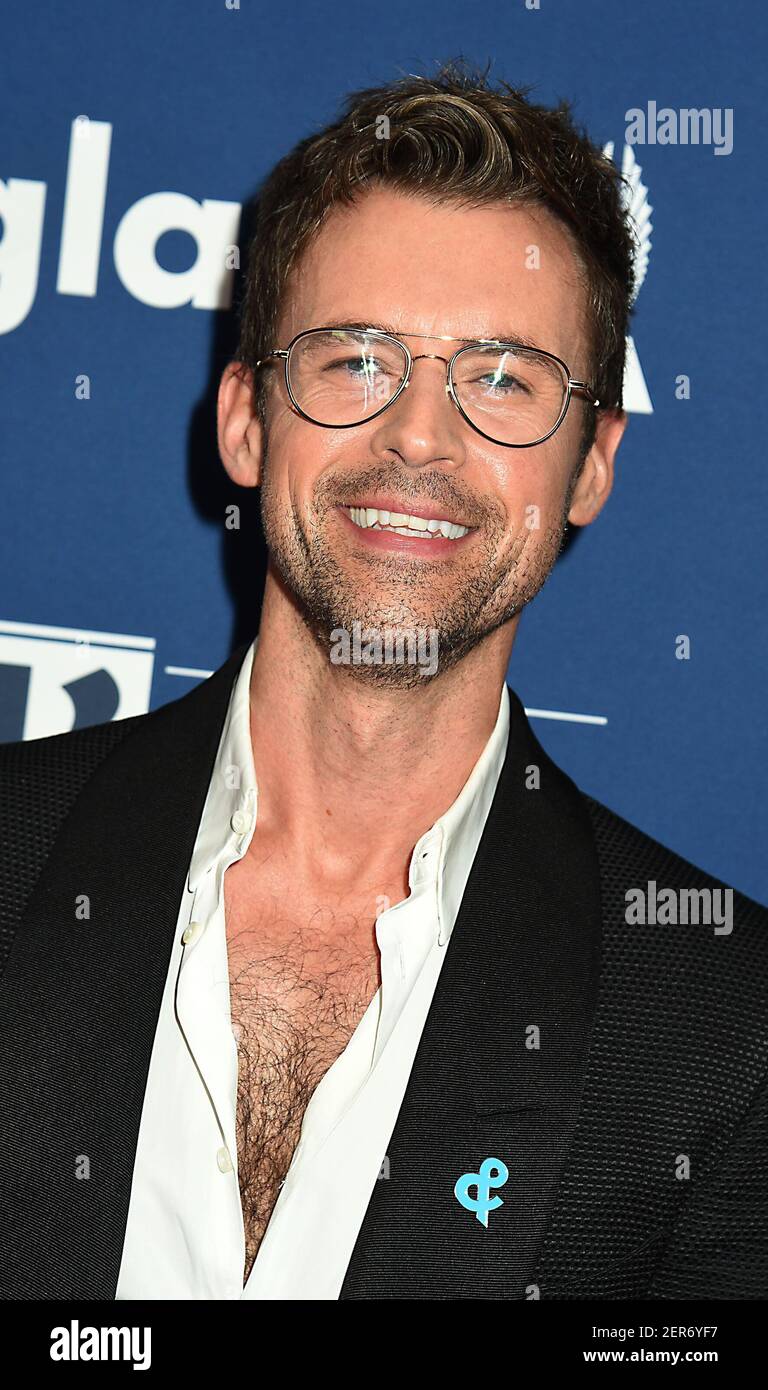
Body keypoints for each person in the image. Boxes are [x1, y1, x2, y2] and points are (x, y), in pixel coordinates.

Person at [1, 61, 766, 1302]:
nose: (420, 436)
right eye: (358, 360)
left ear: (591, 466)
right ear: (245, 421)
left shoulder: (727, 1039)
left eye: (505, 378)